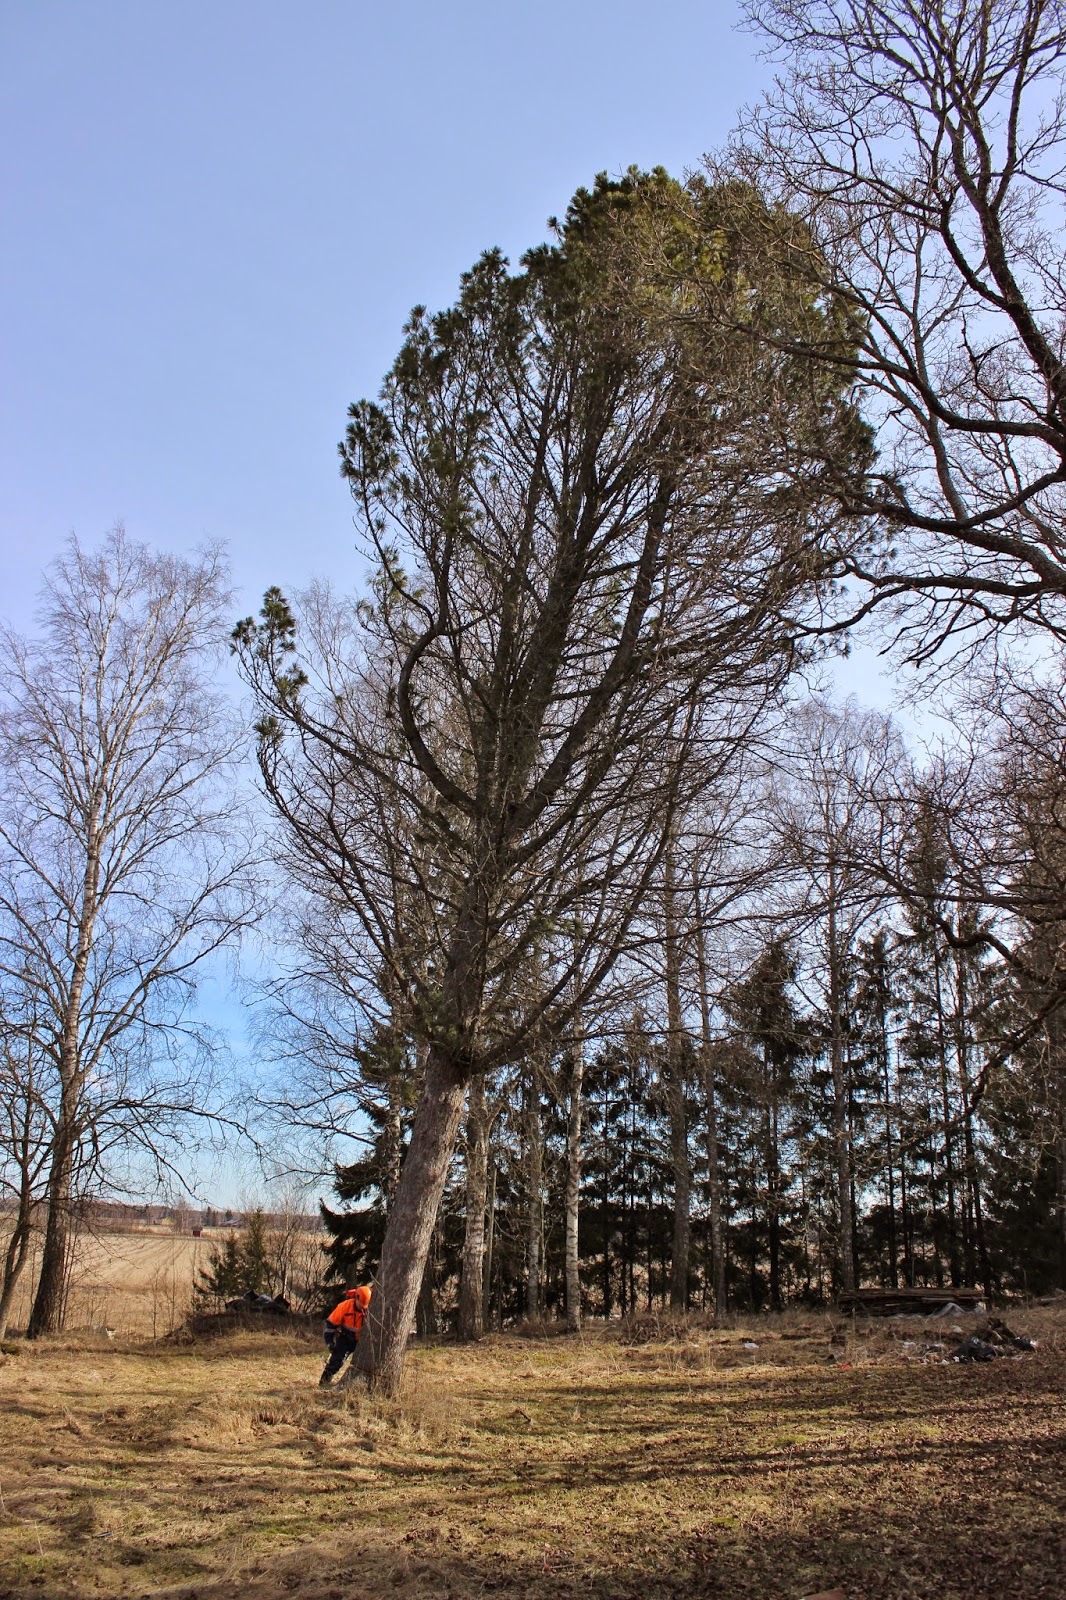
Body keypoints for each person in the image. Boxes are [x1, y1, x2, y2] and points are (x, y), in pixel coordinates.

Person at [319, 1284, 372, 1387]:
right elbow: (330, 1325)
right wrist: (330, 1343)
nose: (363, 1309)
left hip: (362, 1341)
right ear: (356, 1298)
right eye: (361, 1306)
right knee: (336, 1362)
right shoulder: (344, 1307)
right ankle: (323, 1383)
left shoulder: (371, 1308)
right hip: (345, 1339)